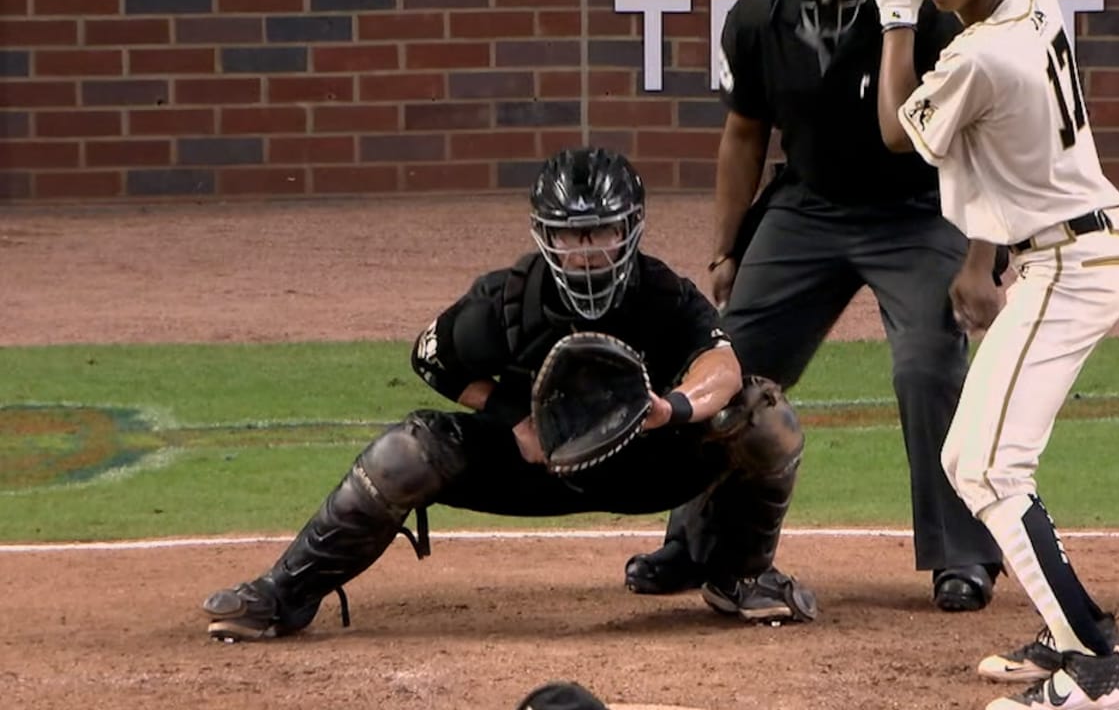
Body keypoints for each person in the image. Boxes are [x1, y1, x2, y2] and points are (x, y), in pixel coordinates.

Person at [200, 147, 817, 641]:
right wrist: (512, 419)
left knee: (766, 416)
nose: (586, 252)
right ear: (544, 236)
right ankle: (283, 594)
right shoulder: (506, 301)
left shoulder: (662, 292)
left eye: (600, 231)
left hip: (647, 462)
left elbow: (725, 367)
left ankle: (738, 576)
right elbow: (429, 357)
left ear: (630, 229)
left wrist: (668, 410)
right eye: (570, 236)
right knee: (408, 450)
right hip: (533, 468)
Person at [622, 0, 1005, 613]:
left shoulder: (929, 16)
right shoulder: (757, 18)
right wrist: (727, 249)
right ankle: (696, 541)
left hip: (921, 210)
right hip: (807, 206)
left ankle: (963, 554)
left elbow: (987, 145)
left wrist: (982, 258)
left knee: (928, 364)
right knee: (724, 364)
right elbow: (743, 136)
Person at [874, 0, 1119, 710]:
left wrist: (892, 21)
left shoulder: (976, 57)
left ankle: (1097, 673)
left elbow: (893, 130)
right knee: (970, 459)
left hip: (1070, 267)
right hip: (1060, 253)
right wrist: (982, 260)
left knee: (989, 468)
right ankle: (1077, 630)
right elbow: (993, 154)